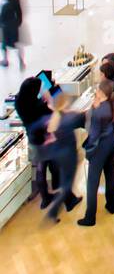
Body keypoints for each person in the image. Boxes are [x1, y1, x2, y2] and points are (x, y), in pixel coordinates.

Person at [76, 77, 114, 227]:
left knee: (92, 182)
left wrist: (88, 151)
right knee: (110, 174)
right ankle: (111, 204)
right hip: (112, 141)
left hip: (100, 146)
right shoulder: (111, 102)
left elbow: (93, 135)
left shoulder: (97, 111)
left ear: (101, 92)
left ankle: (90, 217)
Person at [15, 76, 59, 210]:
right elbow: (54, 113)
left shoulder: (19, 102)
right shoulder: (39, 106)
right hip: (45, 139)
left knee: (40, 169)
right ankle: (57, 189)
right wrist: (48, 99)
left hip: (33, 140)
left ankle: (45, 198)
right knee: (53, 163)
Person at [44, 92, 85, 222]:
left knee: (65, 180)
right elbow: (82, 117)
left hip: (58, 154)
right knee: (67, 184)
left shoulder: (55, 118)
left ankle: (70, 201)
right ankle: (53, 212)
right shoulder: (69, 118)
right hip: (69, 154)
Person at [0, 0, 25, 70]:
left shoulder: (11, 2)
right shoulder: (14, 1)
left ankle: (7, 60)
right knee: (11, 45)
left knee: (6, 44)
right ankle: (17, 61)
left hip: (7, 27)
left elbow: (18, 14)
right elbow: (19, 14)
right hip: (10, 27)